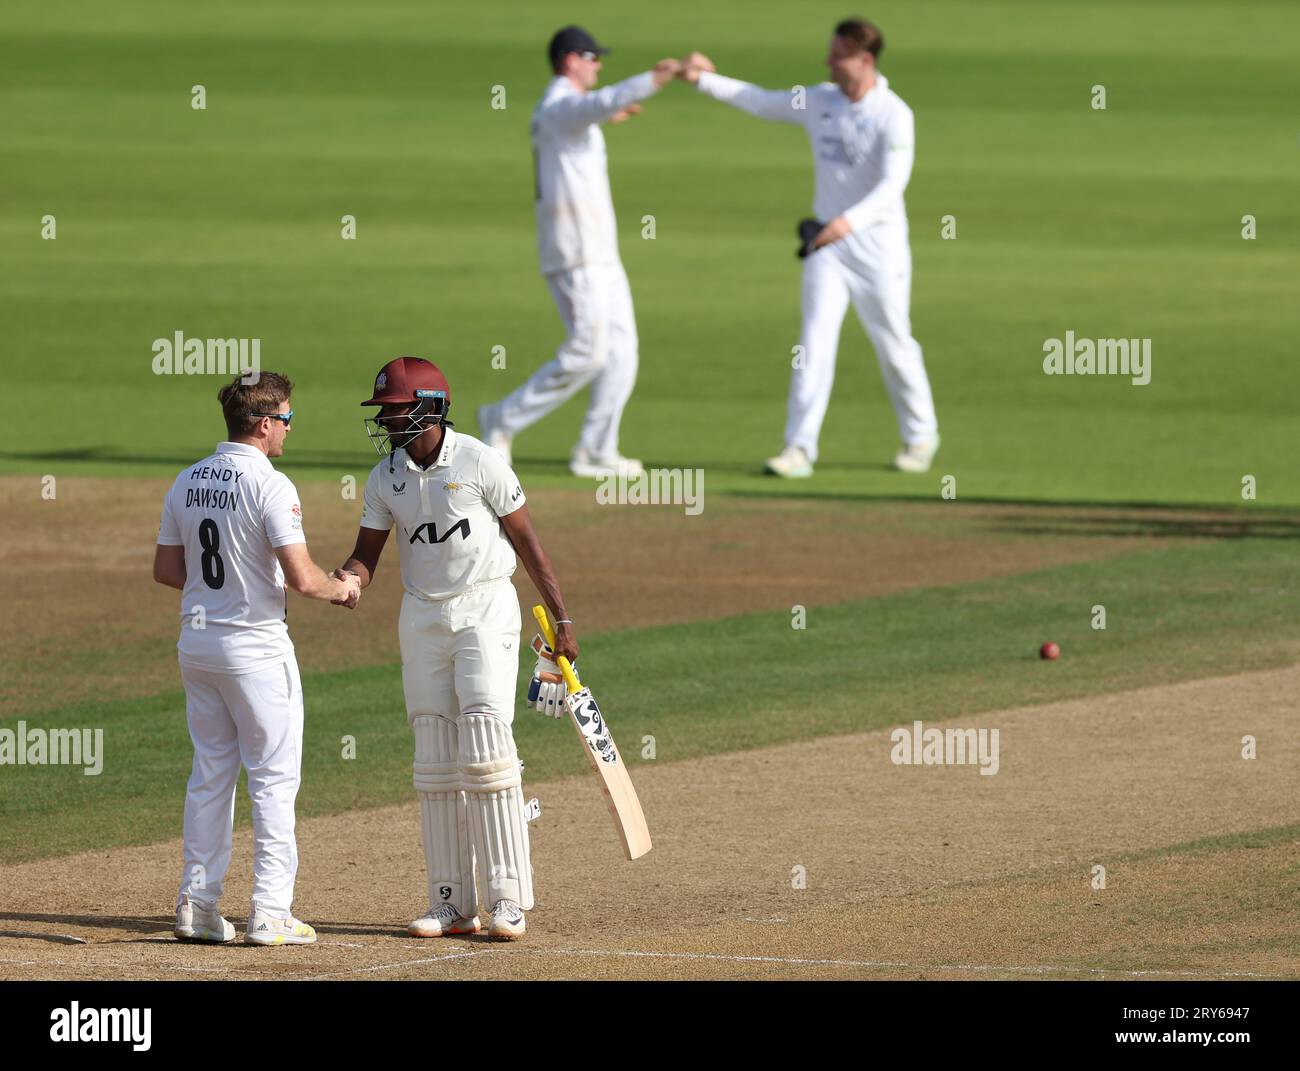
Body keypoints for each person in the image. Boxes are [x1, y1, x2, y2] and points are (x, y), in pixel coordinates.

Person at [336, 356, 578, 941]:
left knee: (487, 738)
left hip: (484, 606)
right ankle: (451, 902)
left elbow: (527, 542)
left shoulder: (478, 460)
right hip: (420, 615)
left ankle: (507, 897)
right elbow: (366, 553)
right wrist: (345, 580)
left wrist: (562, 620)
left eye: (396, 410)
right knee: (434, 755)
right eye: (385, 413)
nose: (388, 422)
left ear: (431, 408)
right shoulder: (384, 477)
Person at [681, 19, 940, 476]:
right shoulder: (819, 100)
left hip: (878, 250)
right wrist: (704, 80)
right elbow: (761, 101)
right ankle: (798, 448)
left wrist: (848, 222)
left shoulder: (894, 114)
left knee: (893, 342)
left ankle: (920, 435)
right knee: (813, 345)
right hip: (827, 247)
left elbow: (892, 185)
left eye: (838, 54)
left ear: (864, 60)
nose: (828, 61)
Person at [154, 372, 360, 946]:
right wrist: (342, 587)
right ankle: (270, 911)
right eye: (287, 421)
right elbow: (302, 577)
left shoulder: (187, 478)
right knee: (273, 779)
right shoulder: (270, 484)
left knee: (211, 776)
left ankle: (197, 906)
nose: (289, 431)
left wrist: (217, 595)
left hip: (197, 648)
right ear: (264, 424)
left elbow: (168, 571)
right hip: (257, 650)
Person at [477, 26, 681, 478]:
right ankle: (502, 418)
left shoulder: (567, 116)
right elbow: (592, 105)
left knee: (623, 352)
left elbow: (591, 114)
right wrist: (657, 77)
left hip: (601, 252)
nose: (598, 64)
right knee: (589, 351)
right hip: (575, 253)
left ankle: (595, 448)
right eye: (592, 57)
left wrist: (607, 115)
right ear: (571, 60)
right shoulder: (558, 107)